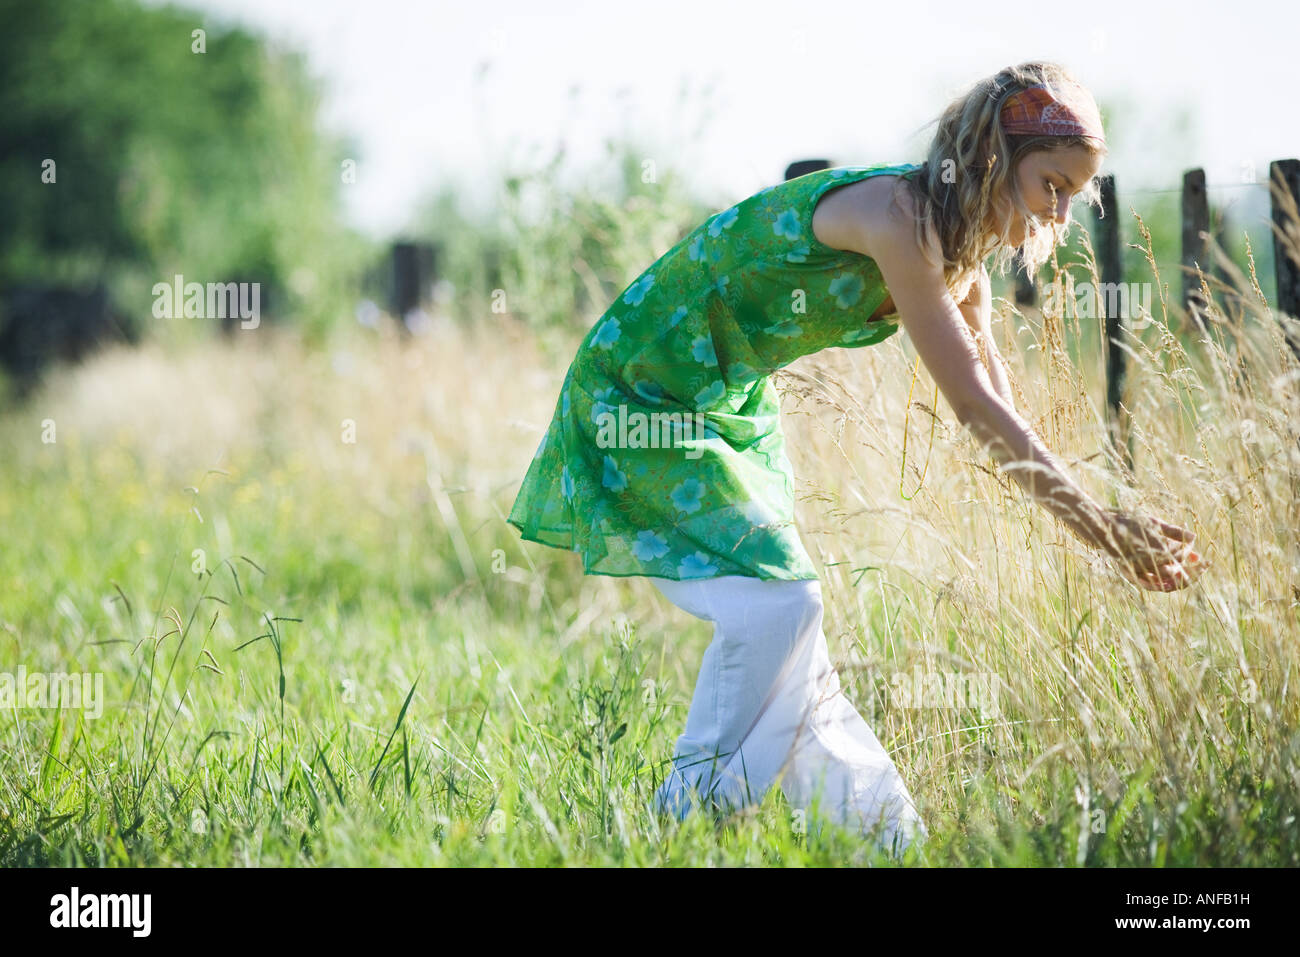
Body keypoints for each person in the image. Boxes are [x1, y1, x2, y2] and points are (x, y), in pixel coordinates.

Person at [506, 60, 1204, 856]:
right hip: (644, 388)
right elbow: (974, 405)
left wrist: (1098, 511)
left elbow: (994, 402)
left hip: (724, 403)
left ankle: (885, 835)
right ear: (994, 156)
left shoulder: (957, 258)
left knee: (793, 636)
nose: (1063, 211)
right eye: (1053, 183)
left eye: (1078, 192)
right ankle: (681, 818)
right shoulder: (898, 218)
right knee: (782, 607)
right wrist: (1102, 530)